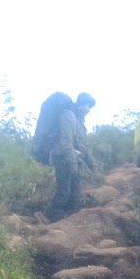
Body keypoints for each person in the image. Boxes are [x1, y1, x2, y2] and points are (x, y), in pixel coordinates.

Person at [44, 92, 96, 220]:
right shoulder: (68, 116)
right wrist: (73, 165)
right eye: (87, 105)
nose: (88, 109)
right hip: (63, 158)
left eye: (90, 107)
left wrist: (92, 164)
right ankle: (52, 217)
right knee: (64, 191)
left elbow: (79, 145)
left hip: (71, 159)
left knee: (76, 192)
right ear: (80, 104)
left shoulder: (77, 121)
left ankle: (71, 218)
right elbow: (66, 143)